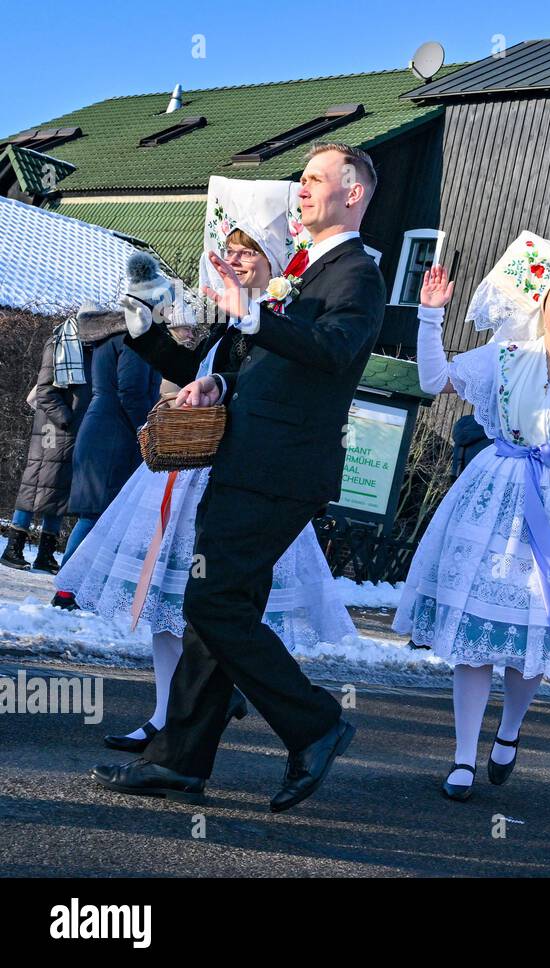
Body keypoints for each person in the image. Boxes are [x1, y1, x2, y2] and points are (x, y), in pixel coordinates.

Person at [91, 142, 386, 812]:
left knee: (212, 605)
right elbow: (265, 371)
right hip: (251, 461)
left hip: (278, 471)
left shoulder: (356, 276)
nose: (301, 188)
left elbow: (334, 353)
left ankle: (314, 723)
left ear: (354, 193)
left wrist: (255, 315)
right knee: (220, 614)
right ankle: (180, 763)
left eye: (314, 178)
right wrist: (205, 372)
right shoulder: (306, 274)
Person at [393, 231, 550, 801]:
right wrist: (430, 317)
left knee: (537, 622)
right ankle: (462, 756)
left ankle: (507, 733)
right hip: (496, 492)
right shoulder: (505, 357)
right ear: (540, 303)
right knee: (477, 632)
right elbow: (434, 381)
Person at [59, 303, 161, 567]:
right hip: (114, 434)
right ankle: (66, 588)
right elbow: (131, 390)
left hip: (103, 427)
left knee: (97, 513)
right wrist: (145, 427)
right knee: (98, 514)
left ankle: (72, 586)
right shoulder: (133, 339)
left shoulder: (110, 336)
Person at [3, 314, 93, 573]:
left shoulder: (88, 349)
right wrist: (67, 419)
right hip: (51, 429)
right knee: (34, 486)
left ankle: (45, 554)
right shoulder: (59, 344)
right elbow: (45, 391)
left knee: (59, 491)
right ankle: (13, 549)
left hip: (71, 430)